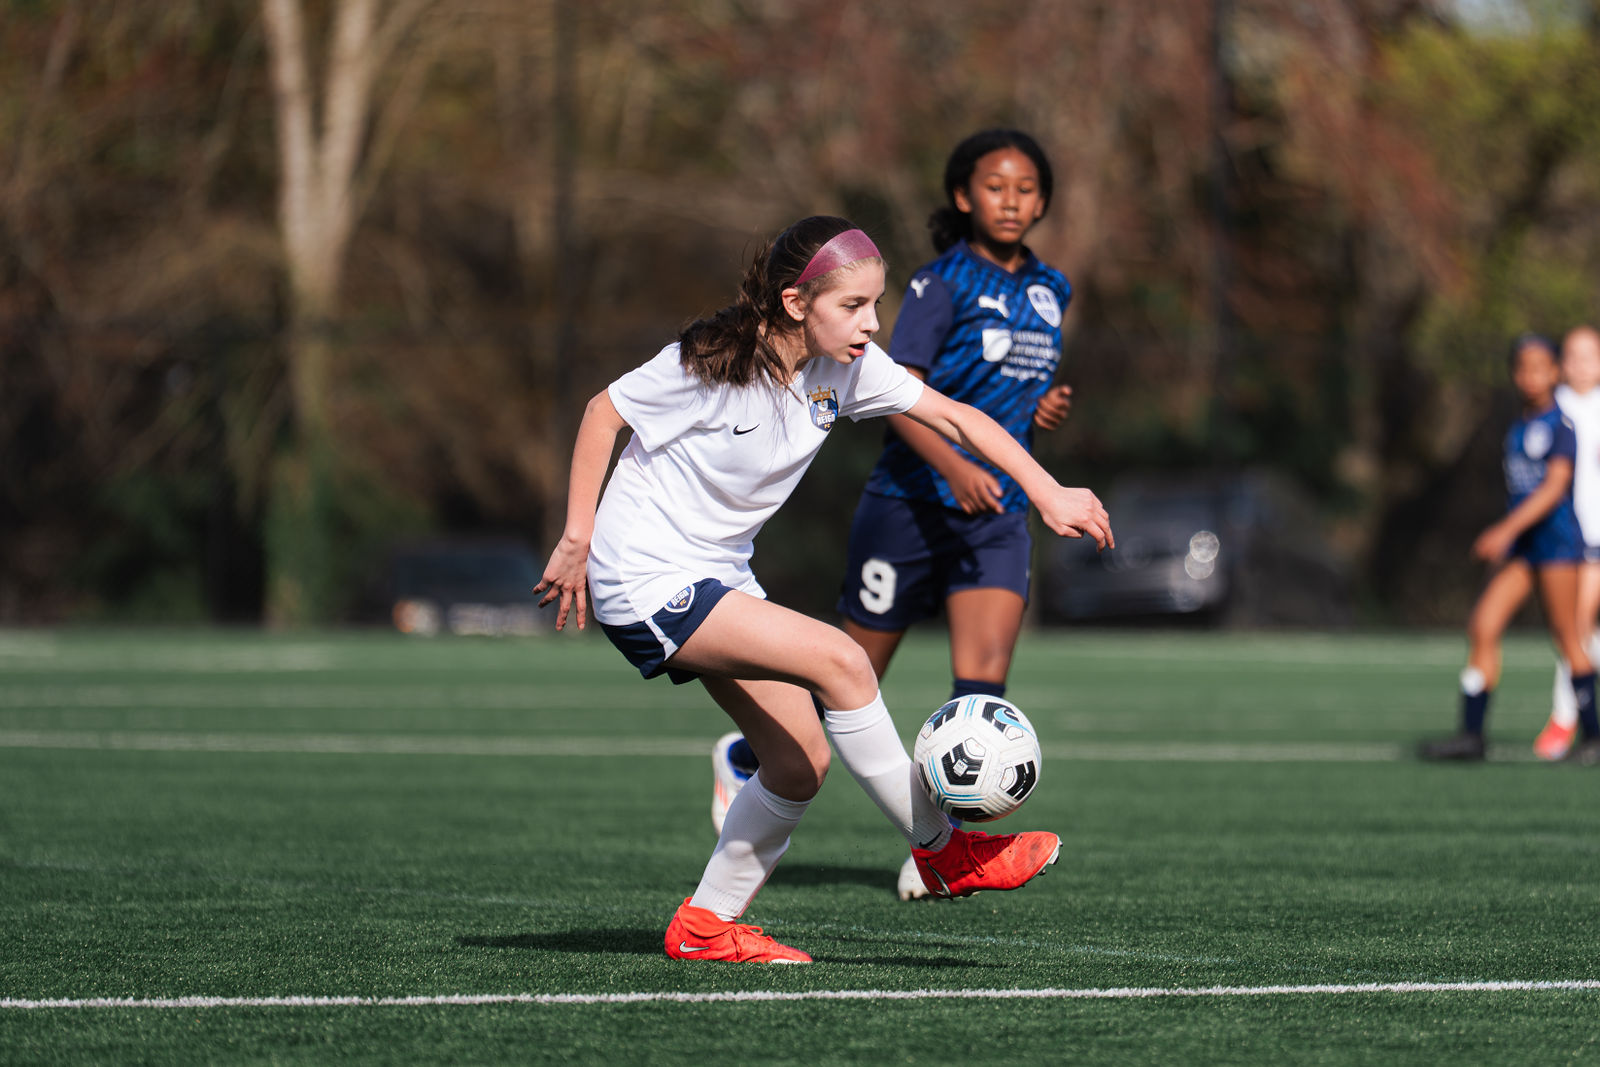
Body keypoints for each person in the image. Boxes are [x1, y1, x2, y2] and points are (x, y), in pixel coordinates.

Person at [535, 215, 1113, 964]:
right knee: (842, 660)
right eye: (854, 307)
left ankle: (706, 925)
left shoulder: (848, 366)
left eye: (877, 305)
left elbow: (956, 417)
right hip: (642, 573)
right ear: (795, 303)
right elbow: (600, 414)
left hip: (715, 571)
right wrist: (577, 537)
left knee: (800, 760)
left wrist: (1046, 490)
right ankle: (946, 852)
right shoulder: (708, 359)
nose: (873, 325)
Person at [709, 129, 1076, 902]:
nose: (1011, 200)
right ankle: (750, 756)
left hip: (995, 514)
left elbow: (1001, 393)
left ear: (1043, 201)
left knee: (982, 689)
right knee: (853, 672)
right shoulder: (939, 285)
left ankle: (938, 845)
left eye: (1026, 188)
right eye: (995, 186)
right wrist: (954, 465)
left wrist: (1038, 410)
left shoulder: (1053, 290)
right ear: (962, 196)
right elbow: (898, 393)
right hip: (908, 505)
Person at [1420, 334, 1600, 763]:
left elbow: (1554, 489)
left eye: (1540, 368)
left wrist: (1504, 530)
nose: (1530, 377)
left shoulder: (1562, 425)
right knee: (1483, 625)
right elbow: (1519, 489)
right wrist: (1511, 536)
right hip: (1524, 549)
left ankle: (1593, 737)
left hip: (1557, 546)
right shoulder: (1518, 426)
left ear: (1554, 372)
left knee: (1568, 639)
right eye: (1522, 368)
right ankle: (1471, 734)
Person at [1534, 325, 1600, 760]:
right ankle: (1568, 716)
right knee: (1577, 629)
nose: (1580, 364)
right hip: (1573, 536)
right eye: (1572, 355)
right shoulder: (1551, 408)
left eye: (1589, 355)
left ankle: (1567, 718)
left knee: (1580, 628)